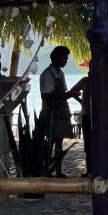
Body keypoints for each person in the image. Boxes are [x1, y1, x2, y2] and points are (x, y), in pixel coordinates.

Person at [40, 45, 73, 176]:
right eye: (65, 58)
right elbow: (46, 96)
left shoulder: (61, 73)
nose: (66, 61)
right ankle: (46, 170)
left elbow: (63, 92)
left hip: (61, 112)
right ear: (57, 58)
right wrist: (68, 95)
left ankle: (58, 171)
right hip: (51, 112)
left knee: (59, 141)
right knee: (50, 142)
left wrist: (69, 95)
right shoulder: (47, 74)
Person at [68, 70, 92, 176]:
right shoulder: (86, 81)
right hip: (88, 115)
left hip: (96, 116)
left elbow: (72, 92)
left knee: (93, 144)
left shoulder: (88, 81)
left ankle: (93, 169)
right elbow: (72, 91)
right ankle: (90, 169)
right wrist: (81, 101)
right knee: (89, 145)